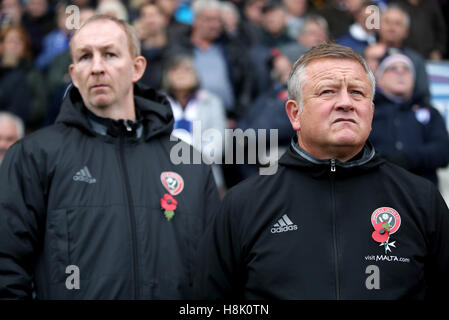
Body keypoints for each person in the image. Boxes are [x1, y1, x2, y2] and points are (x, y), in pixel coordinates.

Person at [194, 43, 449, 300]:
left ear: (370, 113)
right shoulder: (243, 205)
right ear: (295, 114)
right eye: (328, 91)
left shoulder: (420, 199)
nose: (346, 103)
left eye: (357, 93)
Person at [0, 14, 220, 299]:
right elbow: (6, 266)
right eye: (84, 57)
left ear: (137, 68)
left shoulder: (189, 163)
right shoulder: (34, 155)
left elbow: (217, 273)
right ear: (73, 73)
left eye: (110, 54)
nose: (96, 68)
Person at [370, 54, 449, 185]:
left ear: (414, 79)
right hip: (377, 189)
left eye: (406, 69)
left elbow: (443, 151)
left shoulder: (430, 112)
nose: (400, 72)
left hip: (421, 192)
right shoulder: (368, 111)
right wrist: (385, 161)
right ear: (380, 78)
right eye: (393, 68)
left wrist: (407, 159)